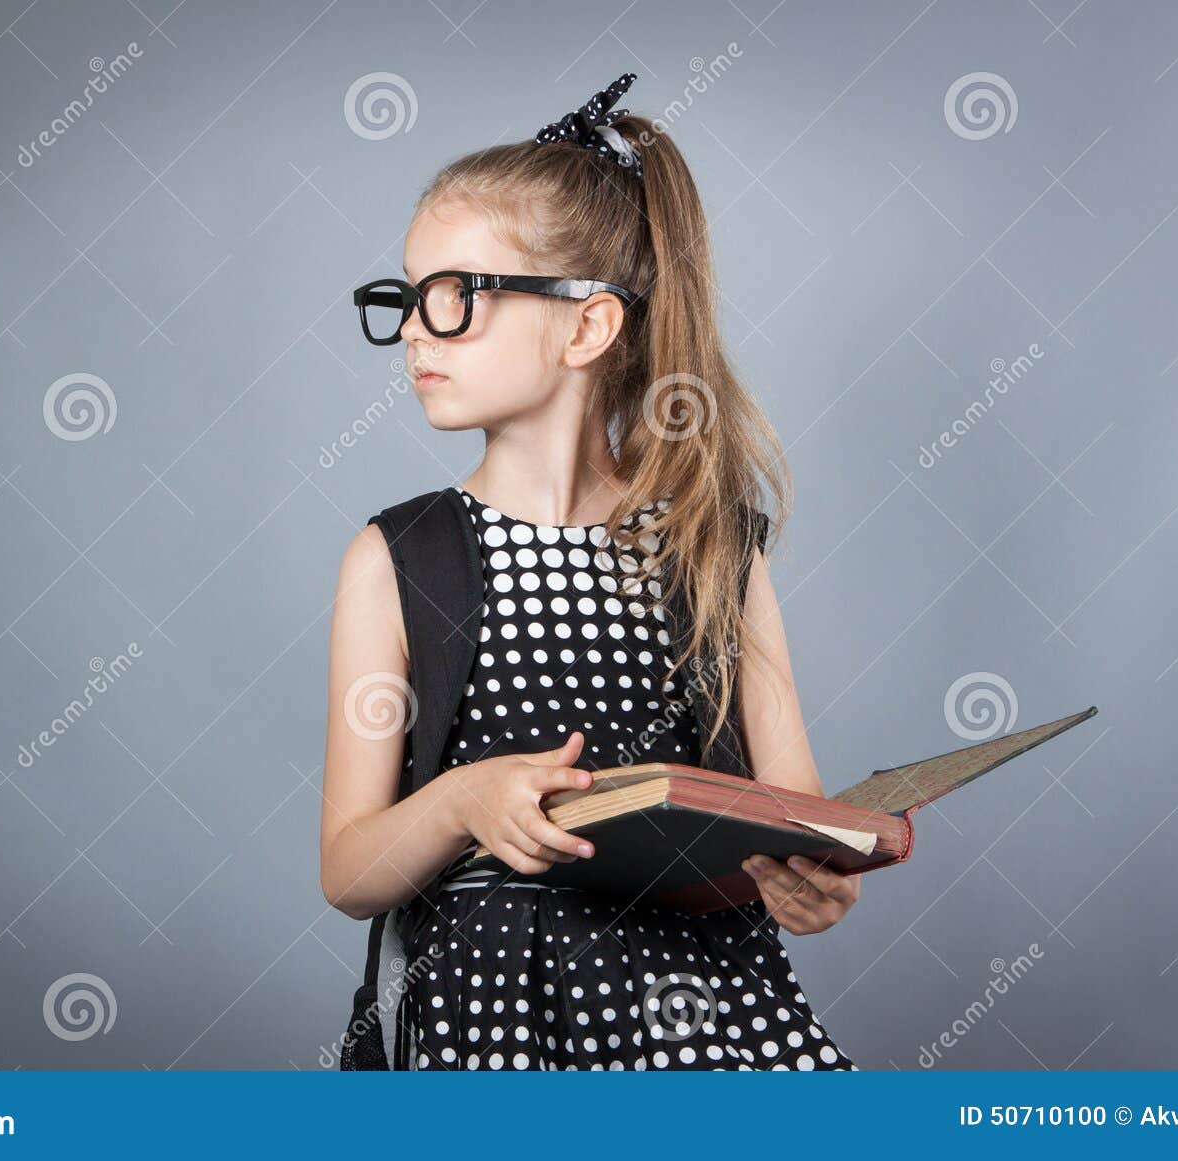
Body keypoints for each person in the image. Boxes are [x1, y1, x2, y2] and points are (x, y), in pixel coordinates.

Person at [321, 73, 861, 1070]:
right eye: (405, 296)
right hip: (490, 1015)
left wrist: (810, 881)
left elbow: (792, 812)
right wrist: (456, 801)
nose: (410, 331)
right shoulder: (399, 559)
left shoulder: (710, 547)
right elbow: (351, 869)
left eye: (453, 299)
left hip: (703, 1015)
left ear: (585, 326)